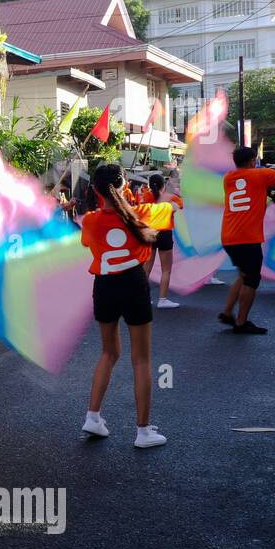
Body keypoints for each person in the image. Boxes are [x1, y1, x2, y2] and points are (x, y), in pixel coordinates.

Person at [79, 164, 174, 448]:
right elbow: (171, 207)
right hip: (134, 283)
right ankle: (143, 432)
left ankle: (92, 416)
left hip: (104, 286)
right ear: (125, 187)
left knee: (108, 352)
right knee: (141, 359)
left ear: (95, 190)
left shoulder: (91, 221)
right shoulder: (143, 212)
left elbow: (88, 243)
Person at [218, 146, 275, 335]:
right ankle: (241, 323)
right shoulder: (260, 174)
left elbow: (253, 191)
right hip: (247, 237)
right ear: (251, 161)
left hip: (229, 235)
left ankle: (227, 312)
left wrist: (271, 194)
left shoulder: (228, 178)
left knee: (243, 275)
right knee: (251, 280)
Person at [137, 173, 184, 309]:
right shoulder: (171, 198)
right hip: (164, 232)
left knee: (146, 269)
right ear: (164, 185)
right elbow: (179, 207)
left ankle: (144, 298)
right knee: (166, 270)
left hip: (149, 233)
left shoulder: (146, 195)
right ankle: (162, 299)